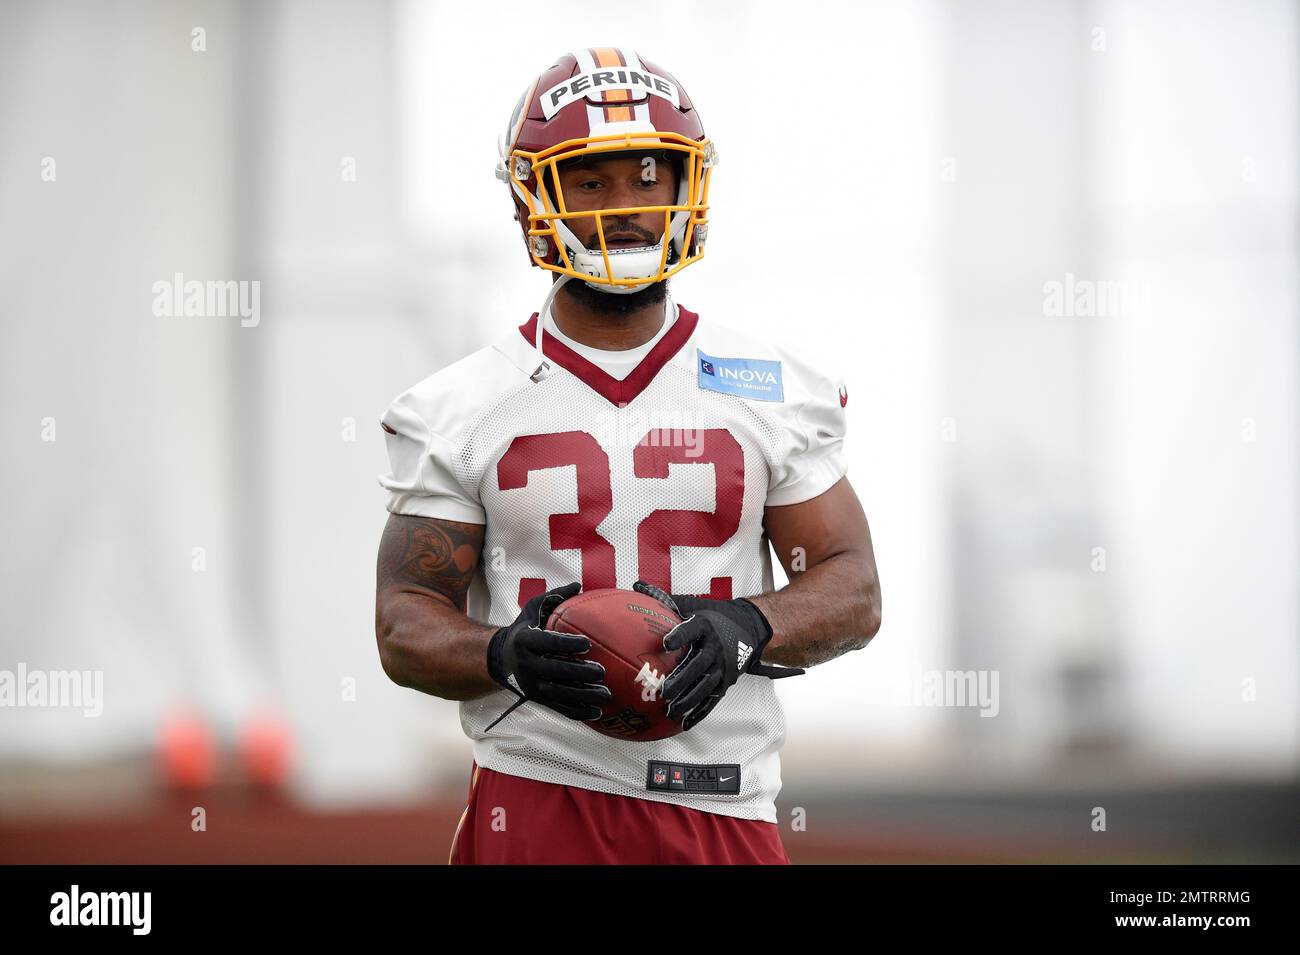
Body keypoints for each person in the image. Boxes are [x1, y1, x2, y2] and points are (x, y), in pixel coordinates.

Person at [375, 48, 881, 864]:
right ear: (531, 199)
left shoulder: (772, 386)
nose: (627, 206)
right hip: (538, 792)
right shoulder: (460, 407)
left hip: (723, 802)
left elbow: (853, 583)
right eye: (591, 180)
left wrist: (752, 623)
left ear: (688, 186)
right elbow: (404, 617)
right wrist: (502, 652)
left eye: (650, 175)